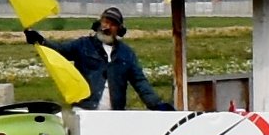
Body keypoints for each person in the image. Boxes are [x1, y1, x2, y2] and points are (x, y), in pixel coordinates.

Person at [25, 6, 174, 111]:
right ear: (99, 23)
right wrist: (40, 41)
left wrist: (157, 105)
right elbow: (60, 51)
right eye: (105, 22)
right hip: (84, 111)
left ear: (119, 29)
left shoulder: (127, 54)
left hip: (113, 116)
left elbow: (140, 82)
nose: (107, 27)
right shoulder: (83, 45)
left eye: (113, 24)